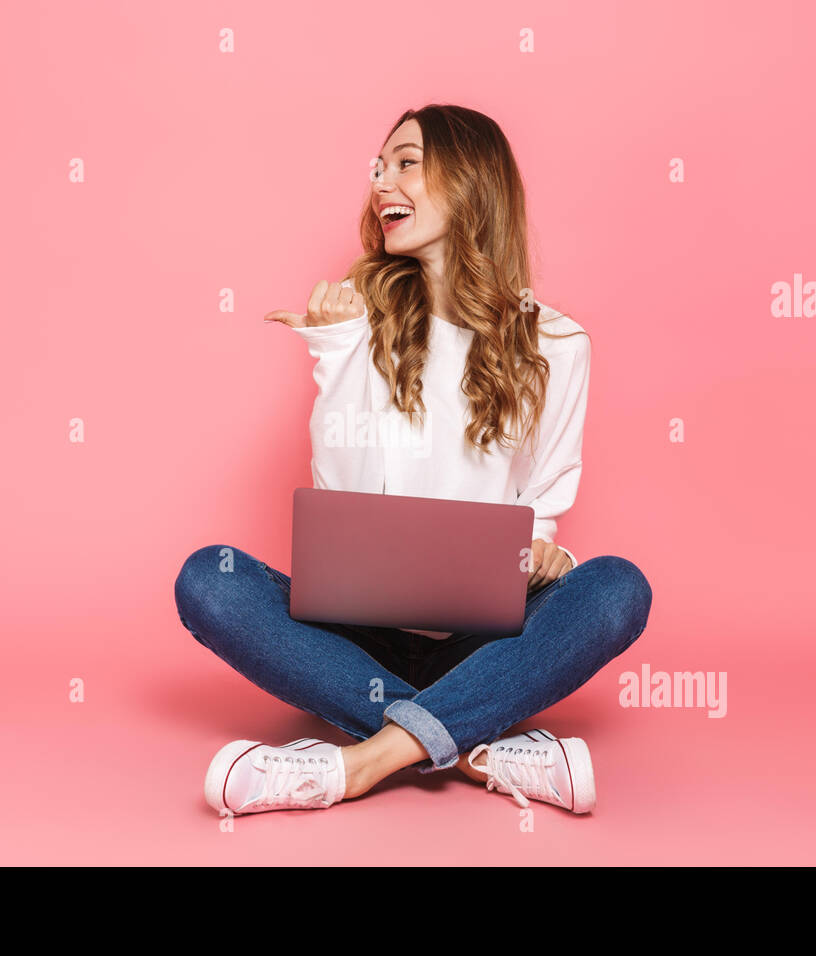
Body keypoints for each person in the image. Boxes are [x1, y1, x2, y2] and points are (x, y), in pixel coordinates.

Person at [174, 104, 651, 817]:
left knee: (615, 588)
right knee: (209, 580)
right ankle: (480, 744)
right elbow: (345, 504)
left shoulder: (557, 343)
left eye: (406, 163)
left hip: (486, 637)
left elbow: (544, 501)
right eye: (379, 167)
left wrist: (545, 552)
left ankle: (359, 764)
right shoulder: (362, 321)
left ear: (472, 182)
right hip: (362, 641)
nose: (382, 184)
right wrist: (336, 355)